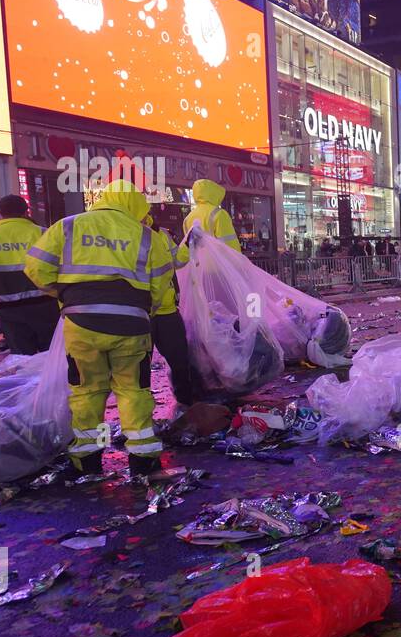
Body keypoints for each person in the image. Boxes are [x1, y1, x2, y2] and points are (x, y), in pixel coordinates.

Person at [25, 179, 173, 476]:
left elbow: (35, 268)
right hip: (131, 324)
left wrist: (65, 295)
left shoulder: (67, 226)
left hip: (81, 323)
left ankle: (87, 460)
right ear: (135, 205)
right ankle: (142, 458)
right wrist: (146, 310)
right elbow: (160, 285)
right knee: (133, 389)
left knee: (87, 390)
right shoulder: (147, 237)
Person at [0, 195, 60, 354]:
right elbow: (59, 266)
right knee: (49, 353)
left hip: (7, 306)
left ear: (1, 213)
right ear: (26, 211)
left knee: (21, 355)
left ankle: (25, 378)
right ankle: (48, 379)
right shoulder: (44, 233)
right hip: (44, 302)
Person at [146, 215, 197, 416]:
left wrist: (189, 244)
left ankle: (186, 405)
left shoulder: (161, 234)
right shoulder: (125, 232)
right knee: (138, 368)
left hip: (167, 310)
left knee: (180, 360)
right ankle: (140, 418)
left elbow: (177, 260)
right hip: (141, 313)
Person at [181, 179, 240, 262]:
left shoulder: (188, 218)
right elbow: (230, 245)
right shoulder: (219, 214)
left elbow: (190, 247)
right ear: (214, 194)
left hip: (200, 269)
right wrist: (239, 265)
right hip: (220, 267)